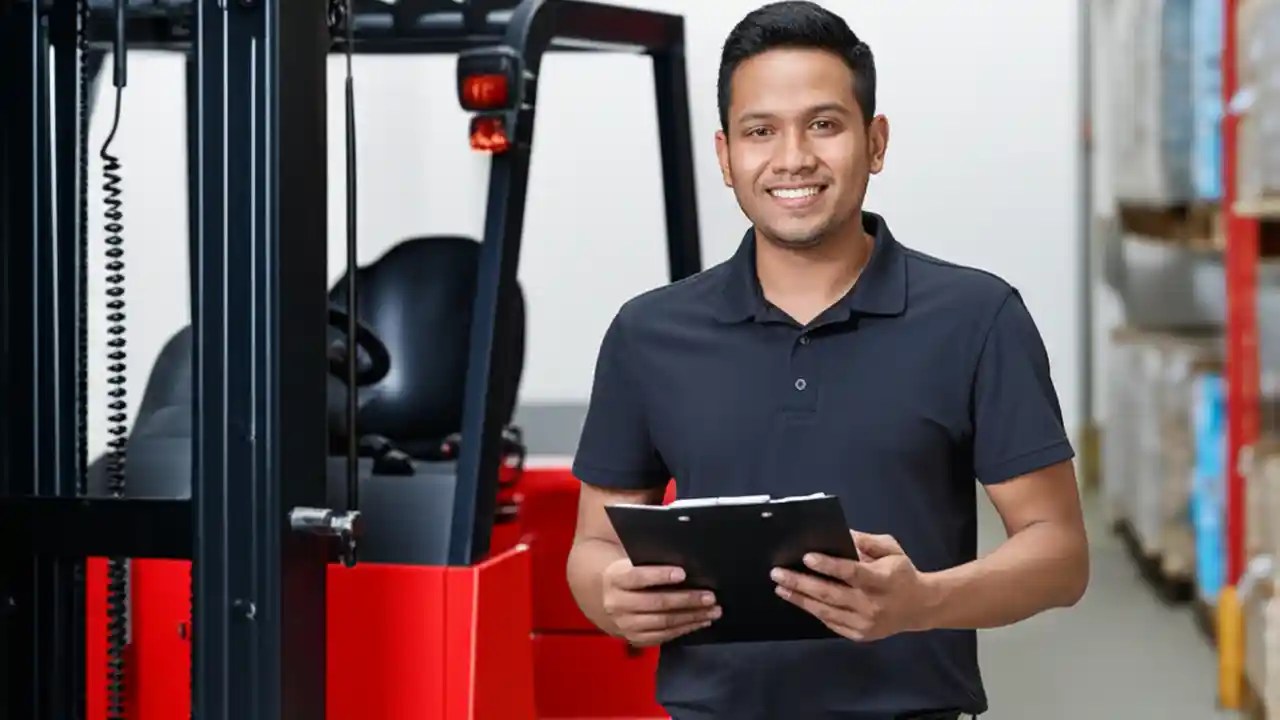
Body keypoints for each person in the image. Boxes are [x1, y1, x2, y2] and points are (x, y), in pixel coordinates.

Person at [564, 2, 1090, 718]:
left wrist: (923, 602)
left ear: (874, 142)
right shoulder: (647, 333)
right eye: (760, 132)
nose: (793, 159)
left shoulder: (976, 318)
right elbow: (592, 544)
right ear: (725, 156)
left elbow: (1059, 554)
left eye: (823, 124)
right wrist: (609, 595)